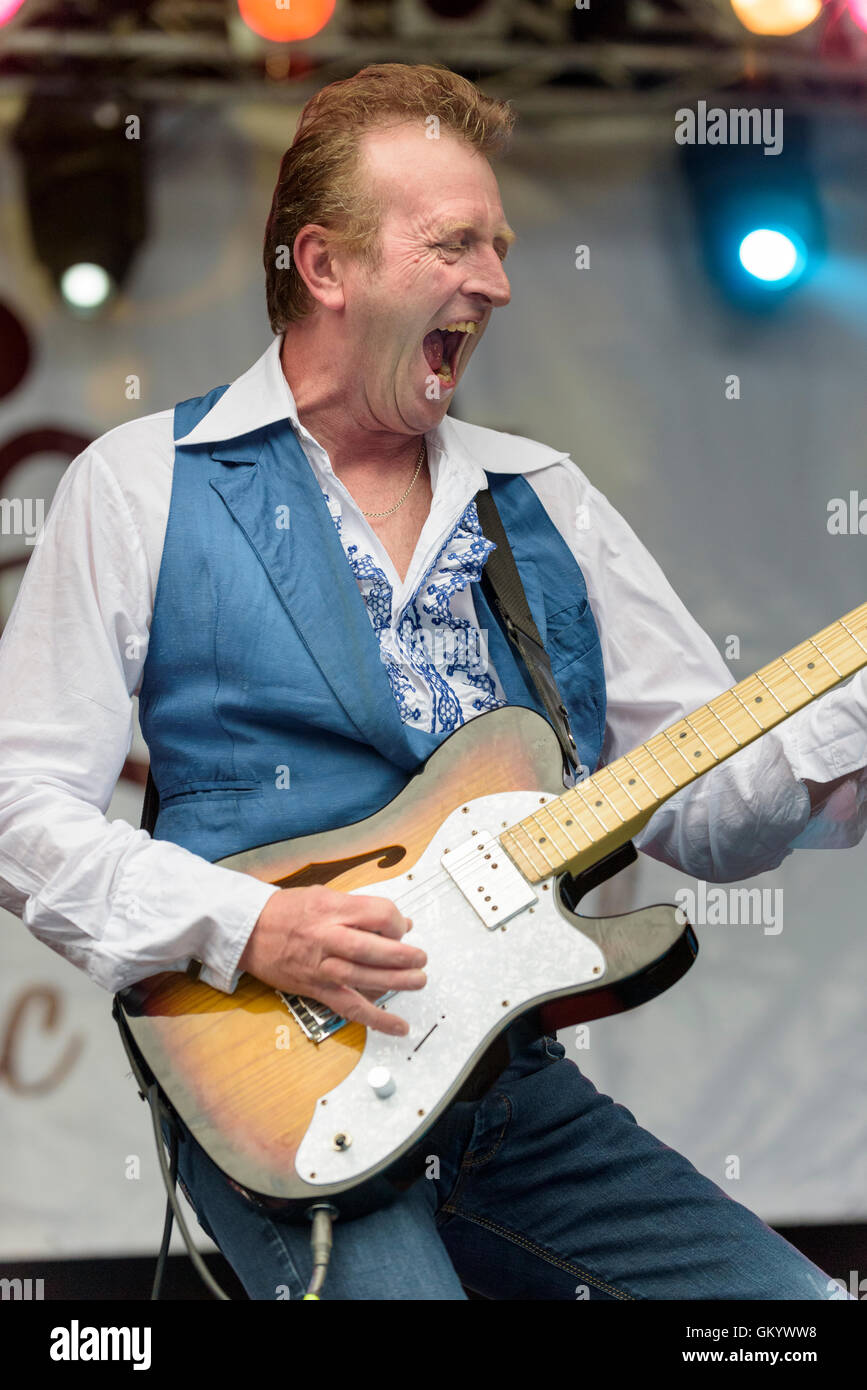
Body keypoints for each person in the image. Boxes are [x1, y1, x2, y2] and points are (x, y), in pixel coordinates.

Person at [1, 63, 864, 1301]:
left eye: (500, 245)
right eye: (453, 243)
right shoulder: (142, 482)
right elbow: (19, 807)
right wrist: (255, 926)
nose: (498, 282)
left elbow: (706, 813)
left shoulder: (544, 499)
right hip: (282, 1085)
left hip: (512, 1098)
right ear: (325, 266)